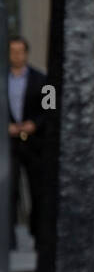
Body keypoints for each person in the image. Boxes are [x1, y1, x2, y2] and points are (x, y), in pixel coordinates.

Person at [8, 35, 48, 253]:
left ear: (26, 53)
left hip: (35, 144)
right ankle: (9, 237)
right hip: (10, 145)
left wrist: (35, 124)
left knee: (38, 192)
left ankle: (39, 235)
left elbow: (50, 110)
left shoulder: (43, 80)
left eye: (20, 51)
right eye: (12, 51)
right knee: (9, 191)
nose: (16, 55)